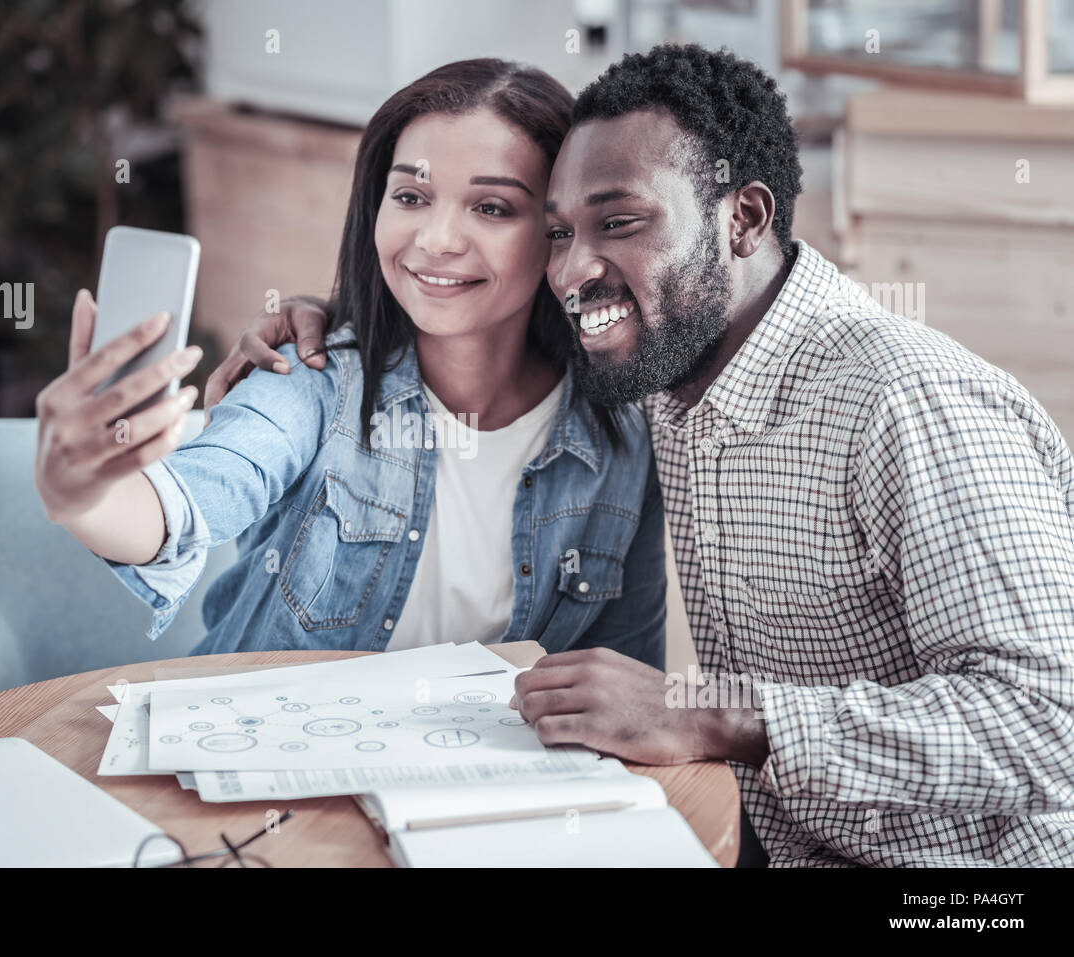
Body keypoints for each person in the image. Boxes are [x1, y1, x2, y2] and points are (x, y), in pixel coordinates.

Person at [209, 44, 1074, 867]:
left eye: (620, 222)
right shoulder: (662, 374)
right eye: (557, 232)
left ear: (743, 218)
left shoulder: (908, 401)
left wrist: (717, 716)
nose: (573, 269)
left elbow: (1053, 723)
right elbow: (478, 325)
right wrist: (337, 318)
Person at [33, 59, 667, 667]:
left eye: (492, 207)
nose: (437, 239)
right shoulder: (312, 377)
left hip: (471, 775)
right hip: (266, 758)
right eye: (412, 197)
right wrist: (86, 493)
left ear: (560, 232)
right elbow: (187, 502)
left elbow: (622, 681)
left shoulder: (619, 434)